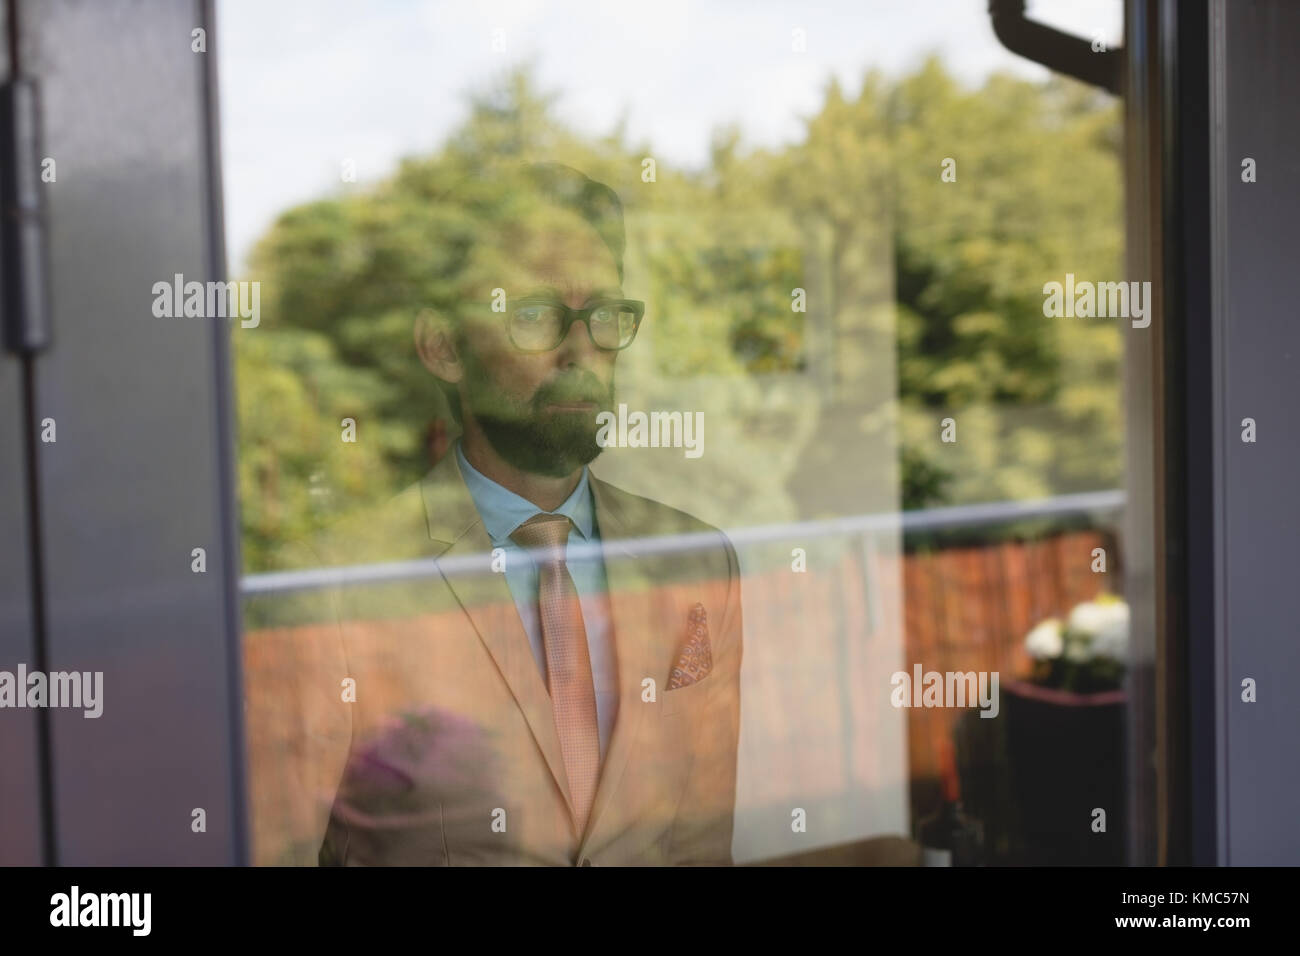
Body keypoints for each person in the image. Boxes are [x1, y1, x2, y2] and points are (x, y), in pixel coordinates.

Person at [307, 161, 743, 866]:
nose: (580, 349)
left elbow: (701, 848)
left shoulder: (696, 561)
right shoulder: (333, 583)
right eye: (535, 314)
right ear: (442, 345)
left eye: (605, 315)